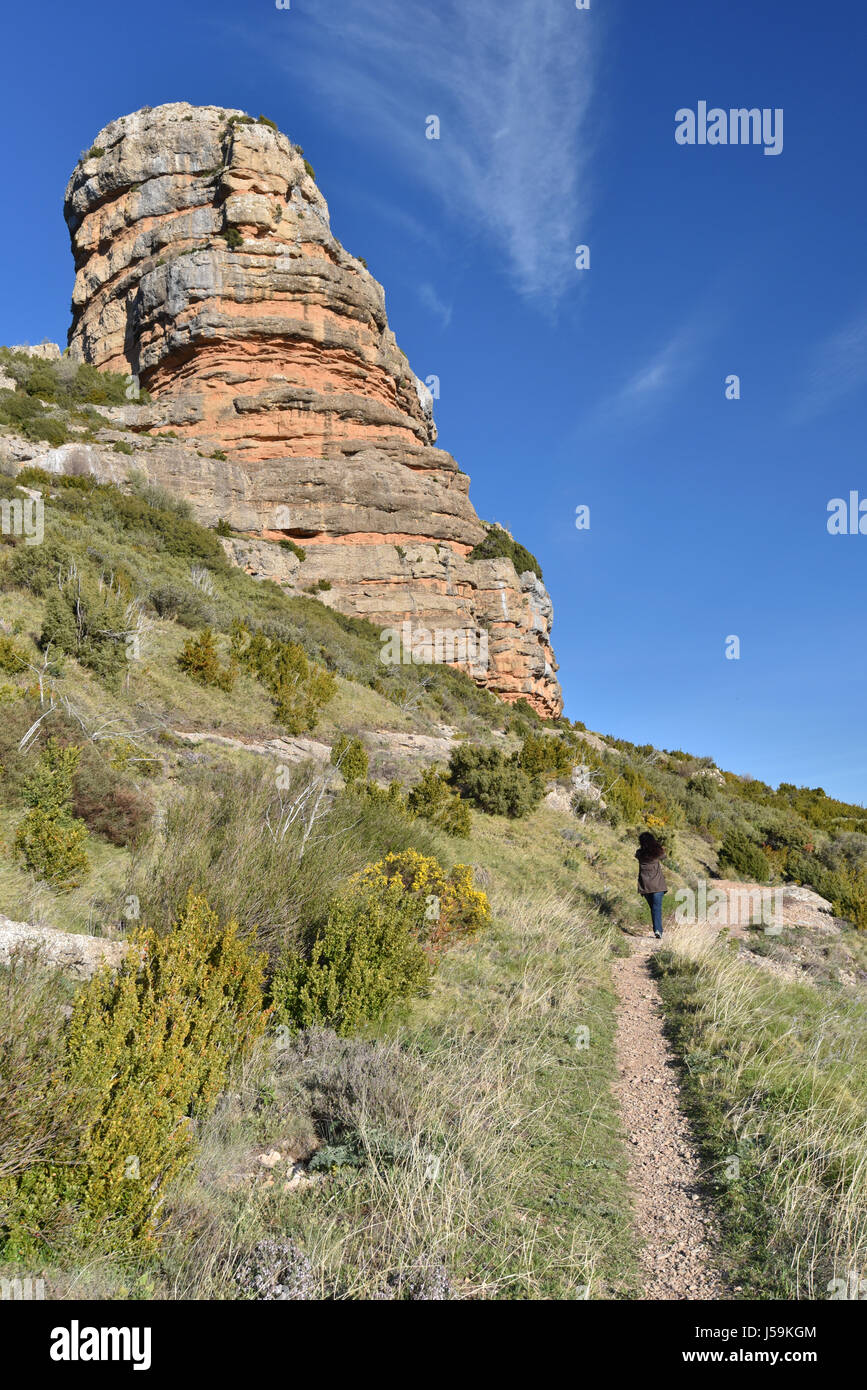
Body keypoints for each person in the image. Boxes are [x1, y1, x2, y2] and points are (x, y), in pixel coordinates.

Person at [636, 831, 667, 940]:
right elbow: (664, 856)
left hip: (645, 886)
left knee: (654, 908)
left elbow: (638, 854)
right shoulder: (657, 853)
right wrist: (657, 845)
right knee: (656, 908)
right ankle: (658, 930)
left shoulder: (639, 854)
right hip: (658, 885)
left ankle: (658, 929)